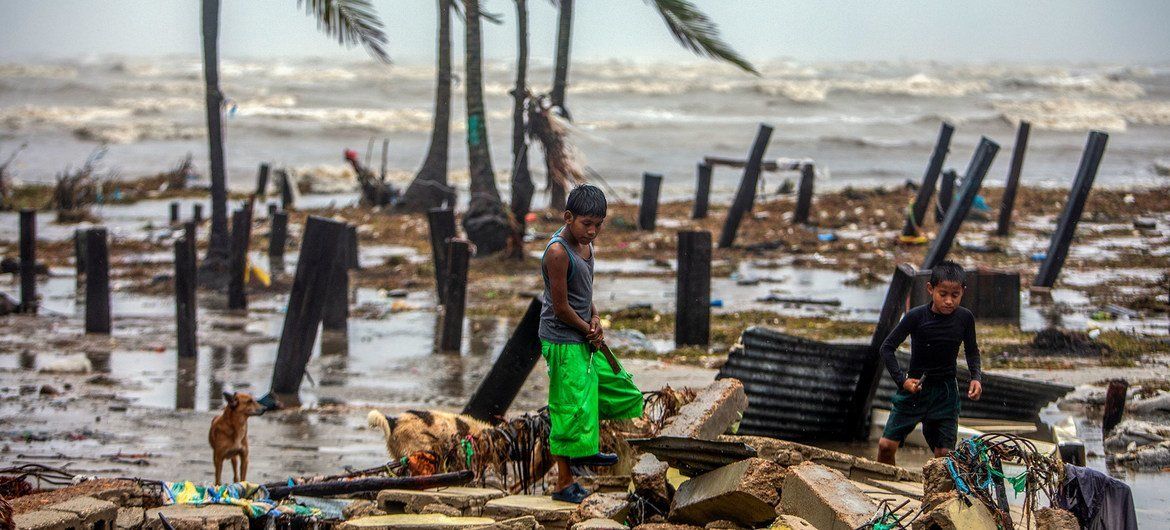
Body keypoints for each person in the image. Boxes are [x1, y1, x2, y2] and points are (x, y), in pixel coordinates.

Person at [539, 184, 644, 503]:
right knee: (568, 406)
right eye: (587, 224)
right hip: (562, 338)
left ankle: (586, 448)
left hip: (583, 332)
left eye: (599, 224)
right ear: (568, 218)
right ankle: (564, 483)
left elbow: (583, 295)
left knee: (620, 389)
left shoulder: (586, 245)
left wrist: (595, 319)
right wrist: (589, 328)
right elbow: (560, 307)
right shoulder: (558, 252)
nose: (593, 231)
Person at [876, 260, 983, 466]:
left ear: (963, 292)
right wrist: (902, 381)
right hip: (914, 389)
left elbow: (972, 350)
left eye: (955, 295)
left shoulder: (965, 318)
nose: (949, 301)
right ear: (930, 289)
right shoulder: (916, 316)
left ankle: (939, 496)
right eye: (943, 294)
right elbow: (887, 348)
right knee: (886, 446)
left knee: (944, 455)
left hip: (945, 393)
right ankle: (883, 482)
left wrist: (976, 378)